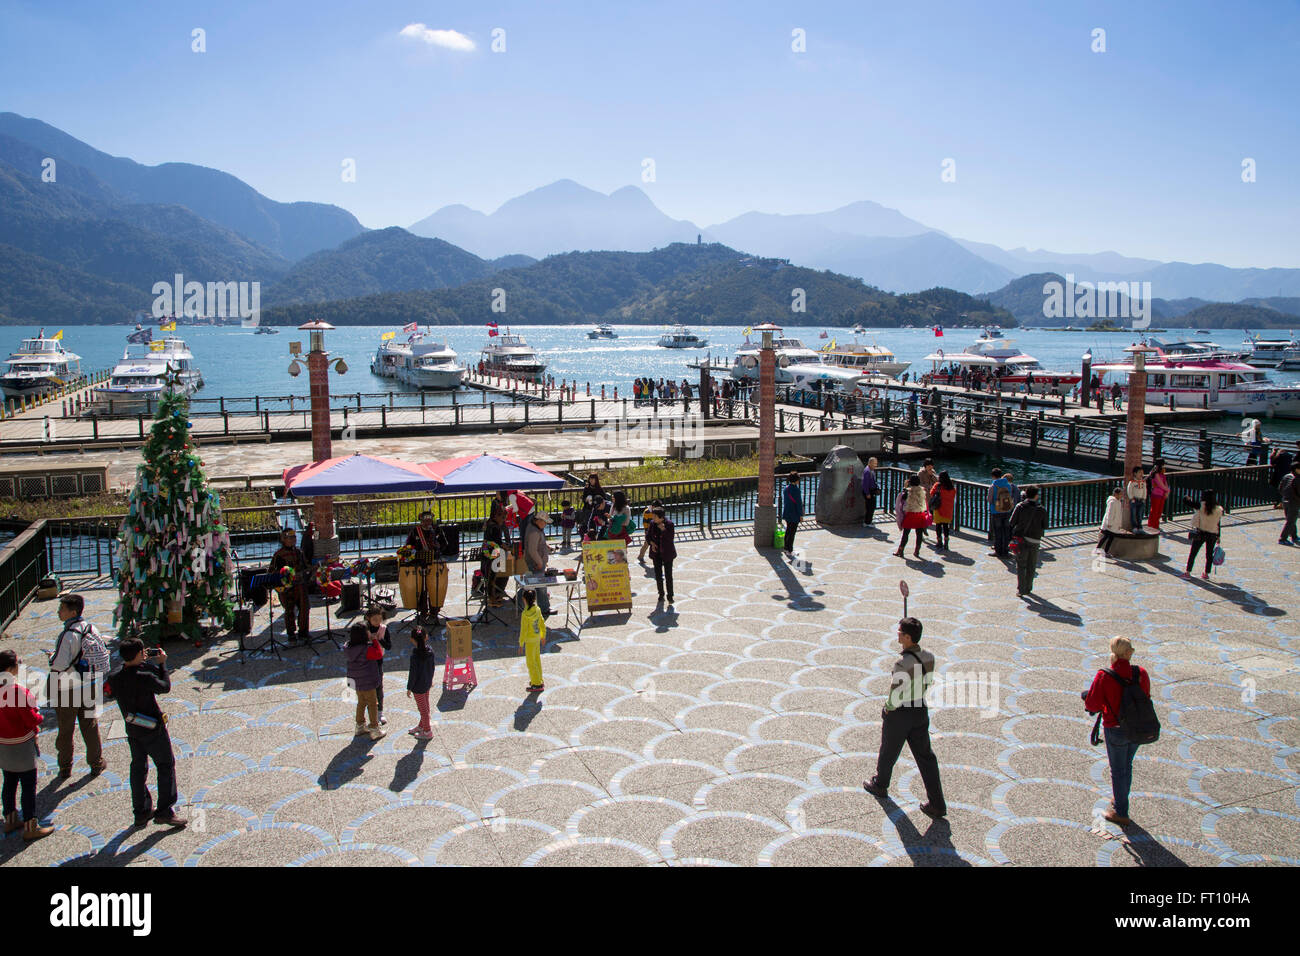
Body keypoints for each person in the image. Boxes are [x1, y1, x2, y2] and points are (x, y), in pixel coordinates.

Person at [862, 618, 946, 818]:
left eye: (900, 632)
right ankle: (937, 803)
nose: (897, 634)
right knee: (926, 757)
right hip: (920, 708)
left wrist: (888, 708)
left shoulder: (902, 663)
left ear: (908, 637)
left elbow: (895, 693)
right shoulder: (929, 657)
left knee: (889, 750)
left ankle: (881, 784)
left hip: (901, 712)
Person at [105, 639, 186, 827]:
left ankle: (141, 811)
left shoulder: (115, 676)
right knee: (165, 765)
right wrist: (162, 664)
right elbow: (164, 686)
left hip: (133, 727)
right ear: (139, 654)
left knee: (138, 768)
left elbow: (112, 692)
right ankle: (164, 811)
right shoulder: (144, 677)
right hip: (153, 728)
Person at [1083, 636, 1152, 826]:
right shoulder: (1141, 673)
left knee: (1118, 769)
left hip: (1115, 728)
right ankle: (1120, 799)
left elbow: (1092, 704)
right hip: (1138, 728)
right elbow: (1146, 696)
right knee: (1127, 765)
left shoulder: (1105, 675)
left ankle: (1121, 811)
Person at [47, 593, 107, 779]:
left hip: (68, 688)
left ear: (72, 612)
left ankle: (65, 766)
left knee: (66, 728)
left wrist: (51, 657)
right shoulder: (91, 628)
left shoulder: (68, 635)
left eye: (62, 609)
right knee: (90, 724)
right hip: (89, 684)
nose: (58, 612)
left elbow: (58, 664)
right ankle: (96, 762)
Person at [0, 649, 52, 840]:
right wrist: (39, 715)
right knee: (29, 785)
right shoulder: (18, 691)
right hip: (22, 744)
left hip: (3, 745)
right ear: (9, 668)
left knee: (9, 781)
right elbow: (32, 719)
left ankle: (10, 819)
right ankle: (31, 826)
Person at [269, 526, 311, 644]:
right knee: (289, 610)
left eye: (294, 537)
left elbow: (306, 567)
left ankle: (303, 632)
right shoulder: (279, 555)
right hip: (287, 588)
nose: (293, 539)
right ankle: (291, 633)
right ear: (283, 539)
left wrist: (310, 572)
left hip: (300, 585)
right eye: (290, 537)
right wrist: (286, 577)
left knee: (305, 608)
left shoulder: (299, 552)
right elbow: (272, 573)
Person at [345, 623, 385, 740]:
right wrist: (375, 641)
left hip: (356, 681)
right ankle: (374, 729)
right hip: (368, 682)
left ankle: (360, 726)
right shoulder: (366, 649)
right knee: (373, 704)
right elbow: (378, 654)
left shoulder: (348, 648)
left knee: (361, 702)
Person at [1009, 485, 1049, 596]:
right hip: (1035, 540)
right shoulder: (1042, 509)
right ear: (1036, 496)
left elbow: (1012, 522)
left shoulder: (1020, 506)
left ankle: (1021, 589)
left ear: (1026, 494)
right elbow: (1045, 525)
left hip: (1021, 539)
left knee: (1021, 565)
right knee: (1032, 565)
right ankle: (1028, 588)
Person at [1184, 489, 1223, 580]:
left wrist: (1187, 497)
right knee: (1209, 555)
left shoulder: (1201, 506)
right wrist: (1218, 536)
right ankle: (1206, 573)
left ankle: (1188, 572)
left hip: (1201, 532)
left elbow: (1186, 502)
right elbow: (1218, 523)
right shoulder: (1218, 509)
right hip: (1212, 534)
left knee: (1193, 553)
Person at [405, 626, 435, 740]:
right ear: (426, 637)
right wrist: (431, 679)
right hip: (427, 683)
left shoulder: (415, 656)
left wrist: (409, 688)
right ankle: (421, 726)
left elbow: (413, 674)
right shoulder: (430, 651)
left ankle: (427, 731)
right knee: (425, 706)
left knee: (423, 710)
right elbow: (432, 668)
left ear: (412, 640)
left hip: (418, 687)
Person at [523, 511, 553, 617]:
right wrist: (540, 562)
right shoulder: (534, 531)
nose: (545, 525)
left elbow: (536, 544)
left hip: (535, 561)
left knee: (533, 584)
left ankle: (520, 602)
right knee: (540, 586)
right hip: (535, 562)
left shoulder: (534, 527)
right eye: (544, 522)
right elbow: (532, 550)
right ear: (539, 521)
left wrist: (546, 546)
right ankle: (544, 608)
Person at [365, 605, 391, 726]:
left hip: (378, 661)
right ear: (368, 618)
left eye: (379, 619)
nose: (377, 622)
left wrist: (379, 639)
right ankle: (370, 713)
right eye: (374, 619)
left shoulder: (384, 629)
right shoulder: (364, 628)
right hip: (365, 662)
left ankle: (379, 712)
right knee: (367, 689)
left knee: (379, 687)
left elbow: (389, 646)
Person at [893, 475, 929, 558]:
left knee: (906, 533)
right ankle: (917, 551)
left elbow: (901, 500)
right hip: (920, 514)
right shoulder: (922, 491)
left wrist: (905, 487)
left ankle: (900, 550)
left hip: (910, 514)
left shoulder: (907, 492)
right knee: (919, 534)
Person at [646, 506, 676, 605]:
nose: (653, 518)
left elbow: (670, 538)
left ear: (661, 517)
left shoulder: (669, 524)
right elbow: (648, 536)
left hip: (667, 552)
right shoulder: (652, 524)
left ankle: (670, 595)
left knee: (668, 575)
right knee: (658, 575)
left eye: (654, 516)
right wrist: (651, 543)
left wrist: (664, 529)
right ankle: (661, 593)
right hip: (656, 552)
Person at [481, 498, 508, 606]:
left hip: (487, 552)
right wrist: (506, 547)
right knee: (492, 577)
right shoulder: (495, 526)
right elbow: (497, 542)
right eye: (503, 517)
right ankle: (492, 599)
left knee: (491, 576)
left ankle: (494, 596)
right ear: (496, 516)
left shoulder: (489, 523)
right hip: (493, 554)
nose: (504, 520)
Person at [519, 588, 546, 693]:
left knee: (530, 662)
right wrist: (543, 636)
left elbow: (523, 630)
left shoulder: (525, 614)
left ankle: (536, 683)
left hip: (529, 640)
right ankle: (539, 679)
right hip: (537, 638)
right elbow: (542, 623)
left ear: (524, 599)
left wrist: (521, 644)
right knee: (537, 660)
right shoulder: (538, 609)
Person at [988, 468, 1015, 557]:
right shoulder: (1008, 485)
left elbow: (989, 499)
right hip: (1007, 510)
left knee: (997, 531)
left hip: (996, 511)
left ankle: (998, 551)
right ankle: (1005, 551)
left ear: (993, 476)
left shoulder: (993, 486)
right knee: (1006, 531)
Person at [930, 471, 956, 550]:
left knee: (938, 526)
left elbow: (931, 493)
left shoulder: (938, 485)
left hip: (939, 508)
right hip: (948, 509)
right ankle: (946, 543)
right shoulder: (952, 487)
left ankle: (939, 542)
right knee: (946, 526)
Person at [1097, 485, 1125, 557]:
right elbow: (1110, 513)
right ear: (1116, 494)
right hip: (1111, 524)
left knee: (1109, 537)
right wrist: (1109, 523)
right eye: (1121, 494)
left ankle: (1103, 550)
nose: (1122, 496)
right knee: (1107, 537)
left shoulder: (1118, 502)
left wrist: (1119, 524)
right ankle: (1101, 550)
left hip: (1114, 524)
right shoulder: (1113, 502)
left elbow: (1118, 514)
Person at [781, 473, 803, 556]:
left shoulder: (786, 488)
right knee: (792, 532)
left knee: (788, 531)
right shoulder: (796, 490)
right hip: (794, 514)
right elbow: (798, 504)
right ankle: (790, 550)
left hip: (787, 512)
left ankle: (786, 548)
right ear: (796, 480)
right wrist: (800, 515)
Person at [1278, 461, 1300, 545]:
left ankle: (1294, 536)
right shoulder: (1297, 479)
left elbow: (1280, 488)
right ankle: (1283, 538)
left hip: (1285, 500)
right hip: (1294, 502)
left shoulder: (1287, 476)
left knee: (1291, 519)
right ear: (1297, 469)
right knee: (1291, 520)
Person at [1146, 460, 1169, 531]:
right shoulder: (1155, 474)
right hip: (1156, 494)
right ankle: (1151, 525)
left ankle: (1156, 524)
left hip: (1162, 494)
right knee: (1154, 511)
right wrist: (1167, 490)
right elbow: (1160, 484)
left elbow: (1165, 483)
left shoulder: (1162, 474)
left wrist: (1166, 492)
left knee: (1159, 511)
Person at [638, 498, 662, 563]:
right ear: (653, 506)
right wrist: (646, 531)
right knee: (647, 543)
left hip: (656, 530)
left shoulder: (658, 511)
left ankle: (660, 558)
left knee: (658, 543)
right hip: (649, 530)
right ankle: (640, 556)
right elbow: (645, 522)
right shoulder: (647, 511)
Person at [1125, 466, 1147, 533]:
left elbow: (1144, 491)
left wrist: (1144, 498)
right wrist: (1131, 498)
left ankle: (1140, 526)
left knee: (1140, 514)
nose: (1141, 474)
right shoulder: (1132, 482)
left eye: (1142, 473)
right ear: (1135, 473)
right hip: (1134, 500)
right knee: (1133, 514)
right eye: (1140, 472)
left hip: (1141, 500)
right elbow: (1129, 490)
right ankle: (1134, 527)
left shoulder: (1143, 482)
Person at [862, 457, 879, 527]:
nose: (876, 465)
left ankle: (868, 520)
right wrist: (867, 493)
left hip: (871, 491)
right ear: (870, 463)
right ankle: (867, 522)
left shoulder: (870, 470)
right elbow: (865, 484)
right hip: (869, 492)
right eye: (874, 463)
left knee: (871, 506)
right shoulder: (867, 471)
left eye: (876, 463)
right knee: (870, 507)